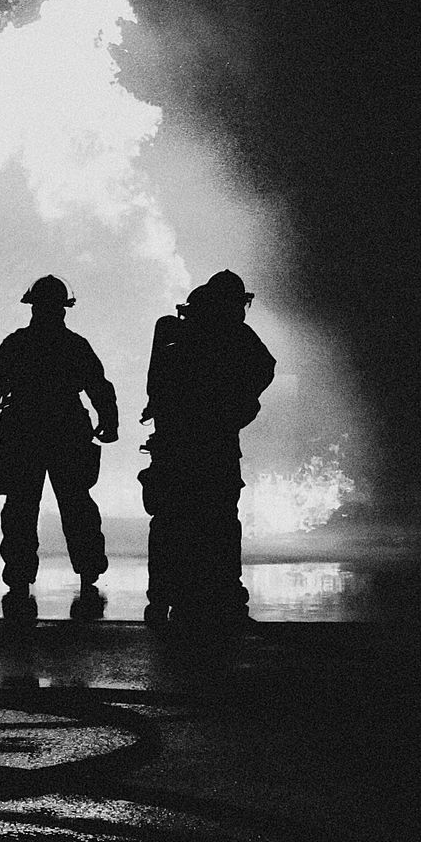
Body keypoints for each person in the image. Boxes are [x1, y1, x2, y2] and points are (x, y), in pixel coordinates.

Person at [138, 268, 275, 634]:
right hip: (213, 448)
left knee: (172, 523)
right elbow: (265, 368)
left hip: (176, 448)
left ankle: (165, 598)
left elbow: (158, 391)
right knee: (218, 525)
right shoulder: (231, 335)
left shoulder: (175, 334)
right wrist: (239, 405)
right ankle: (223, 599)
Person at [0, 276, 118, 621]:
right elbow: (99, 387)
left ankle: (21, 579)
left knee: (21, 507)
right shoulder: (75, 345)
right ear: (63, 307)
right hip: (68, 430)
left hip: (23, 432)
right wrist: (108, 423)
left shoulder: (16, 344)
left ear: (32, 305)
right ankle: (87, 573)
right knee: (76, 504)